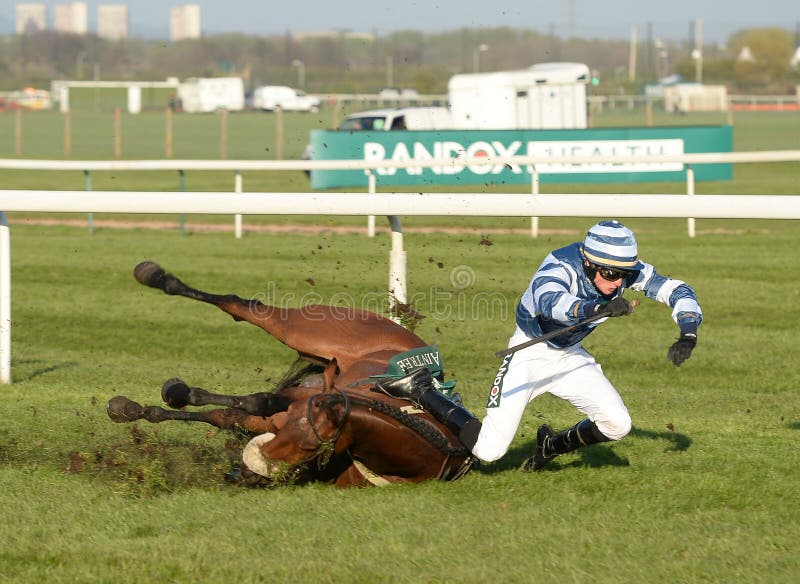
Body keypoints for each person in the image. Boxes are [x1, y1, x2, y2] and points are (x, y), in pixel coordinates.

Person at [377, 220, 701, 471]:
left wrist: (688, 332)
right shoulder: (559, 267)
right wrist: (595, 309)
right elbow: (552, 303)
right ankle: (422, 388)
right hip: (529, 354)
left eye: (623, 275)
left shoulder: (619, 270)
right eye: (610, 274)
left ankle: (550, 446)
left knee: (618, 424)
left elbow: (676, 289)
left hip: (571, 358)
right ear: (588, 263)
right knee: (488, 452)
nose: (617, 282)